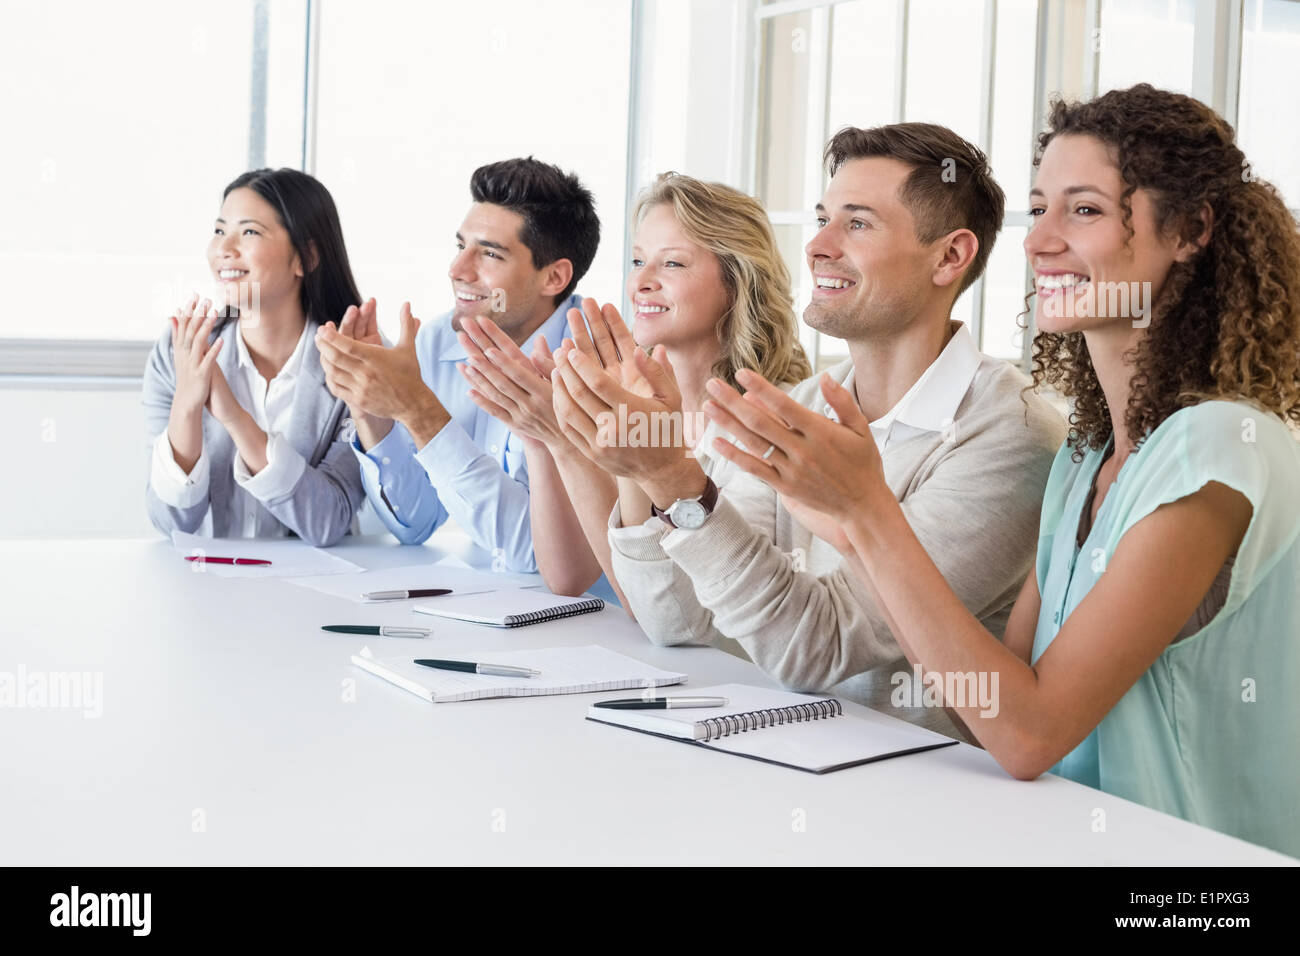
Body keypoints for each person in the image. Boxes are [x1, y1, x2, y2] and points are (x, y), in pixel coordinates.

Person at [704, 85, 1300, 856]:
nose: (1038, 240)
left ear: (1189, 230)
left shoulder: (1218, 452)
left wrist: (868, 516)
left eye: (1083, 210)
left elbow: (1028, 735)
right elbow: (980, 703)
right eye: (1041, 208)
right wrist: (854, 526)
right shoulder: (1088, 457)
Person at [552, 123, 1067, 739]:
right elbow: (679, 621)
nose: (817, 245)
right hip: (787, 761)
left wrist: (671, 476)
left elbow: (817, 647)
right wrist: (643, 470)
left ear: (949, 256)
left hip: (918, 796)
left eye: (857, 223)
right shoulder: (795, 407)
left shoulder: (1012, 436)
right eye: (824, 218)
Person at [453, 172, 810, 604]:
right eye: (639, 261)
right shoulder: (626, 399)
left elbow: (665, 606)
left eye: (672, 263)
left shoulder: (771, 423)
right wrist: (544, 438)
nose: (640, 282)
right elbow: (568, 576)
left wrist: (568, 443)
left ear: (737, 280)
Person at [314, 157, 599, 573]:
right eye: (461, 246)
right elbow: (416, 523)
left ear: (553, 278)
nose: (457, 269)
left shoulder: (596, 370)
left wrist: (418, 409)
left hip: (589, 623)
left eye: (490, 254)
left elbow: (533, 555)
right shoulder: (437, 342)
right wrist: (373, 409)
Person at [142, 168, 366, 546]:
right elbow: (171, 521)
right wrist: (186, 405)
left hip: (314, 591)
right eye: (218, 231)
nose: (224, 249)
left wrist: (233, 415)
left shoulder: (357, 360)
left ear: (306, 257)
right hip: (205, 587)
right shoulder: (177, 349)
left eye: (249, 232)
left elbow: (326, 520)